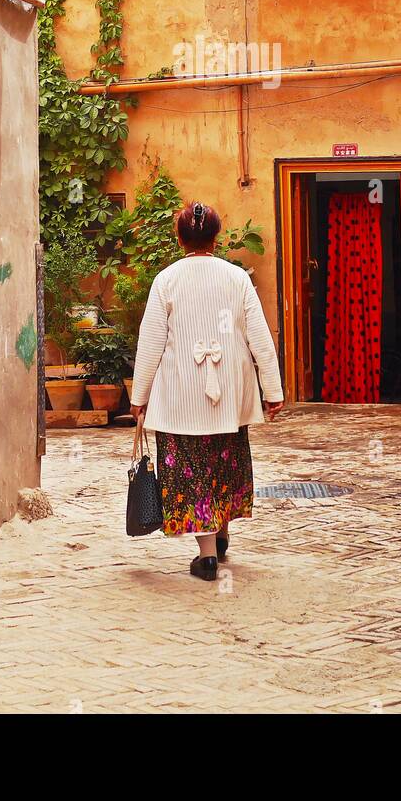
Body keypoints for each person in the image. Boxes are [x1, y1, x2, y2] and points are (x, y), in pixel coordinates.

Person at [130, 201, 284, 581]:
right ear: (215, 237)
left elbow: (151, 343)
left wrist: (139, 397)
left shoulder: (166, 280)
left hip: (181, 396)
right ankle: (222, 532)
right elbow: (259, 339)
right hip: (230, 395)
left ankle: (207, 554)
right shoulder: (236, 278)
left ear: (180, 237)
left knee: (191, 471)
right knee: (224, 464)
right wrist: (272, 388)